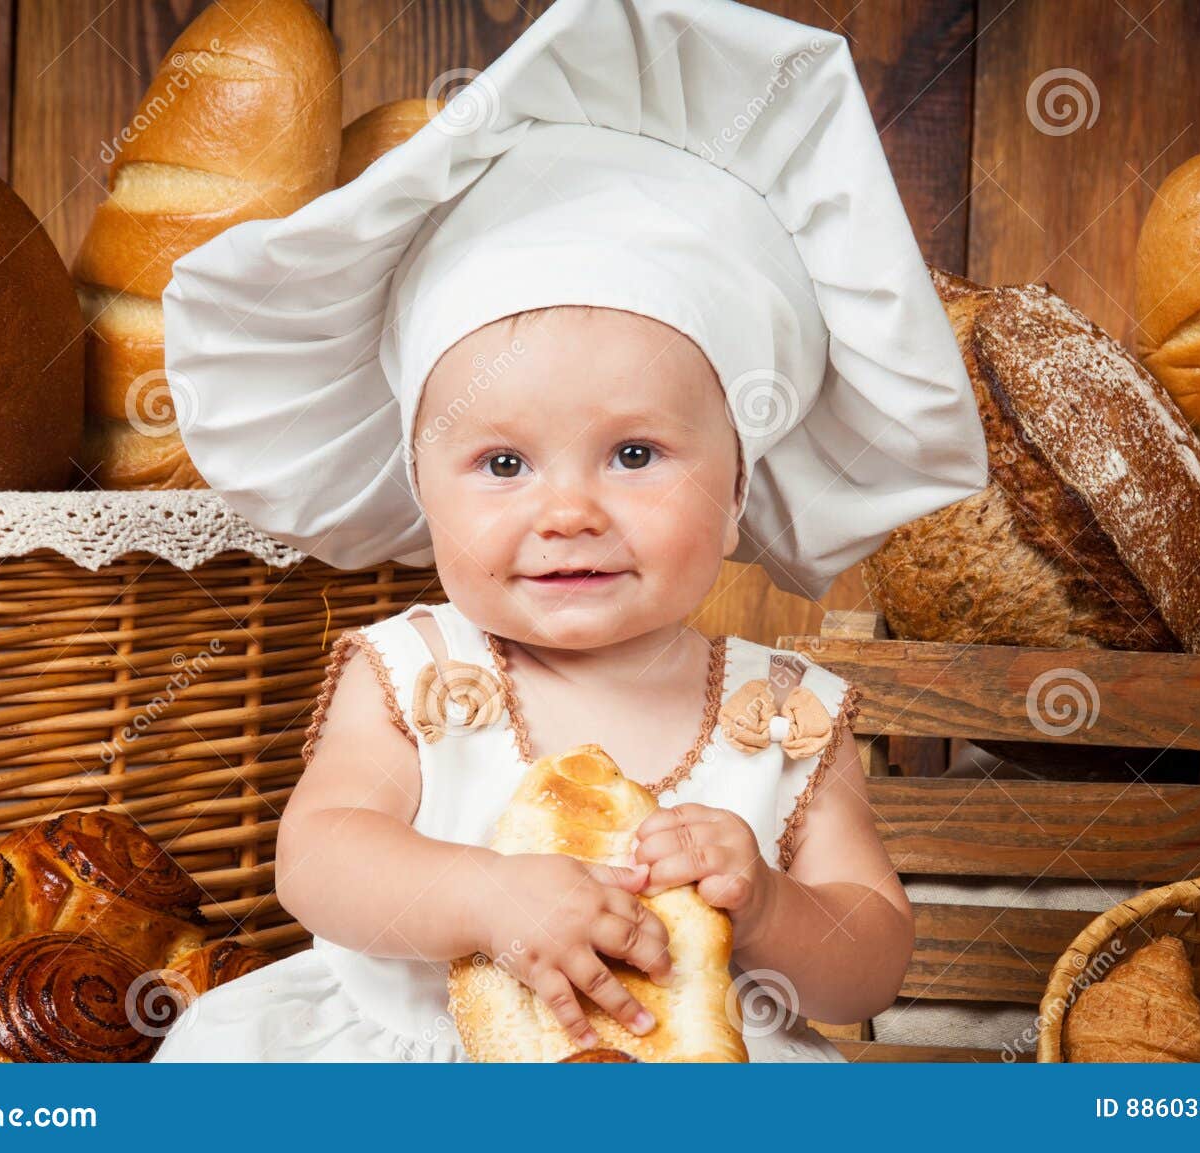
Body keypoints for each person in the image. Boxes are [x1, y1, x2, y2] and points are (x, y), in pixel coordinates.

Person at [152, 0, 986, 1062]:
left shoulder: (779, 715)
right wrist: (487, 898)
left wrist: (770, 905)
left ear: (738, 483)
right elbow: (318, 861)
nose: (568, 511)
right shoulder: (414, 675)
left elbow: (872, 958)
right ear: (421, 484)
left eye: (635, 455)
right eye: (502, 464)